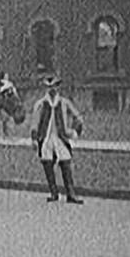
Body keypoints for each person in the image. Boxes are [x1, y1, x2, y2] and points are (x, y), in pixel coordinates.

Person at [30, 74, 85, 204]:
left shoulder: (64, 103)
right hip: (47, 137)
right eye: (49, 87)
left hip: (60, 137)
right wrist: (34, 138)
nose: (52, 90)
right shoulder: (41, 104)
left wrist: (74, 132)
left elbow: (78, 117)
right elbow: (35, 122)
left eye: (54, 86)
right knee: (47, 163)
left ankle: (71, 194)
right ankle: (53, 193)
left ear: (58, 87)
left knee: (66, 163)